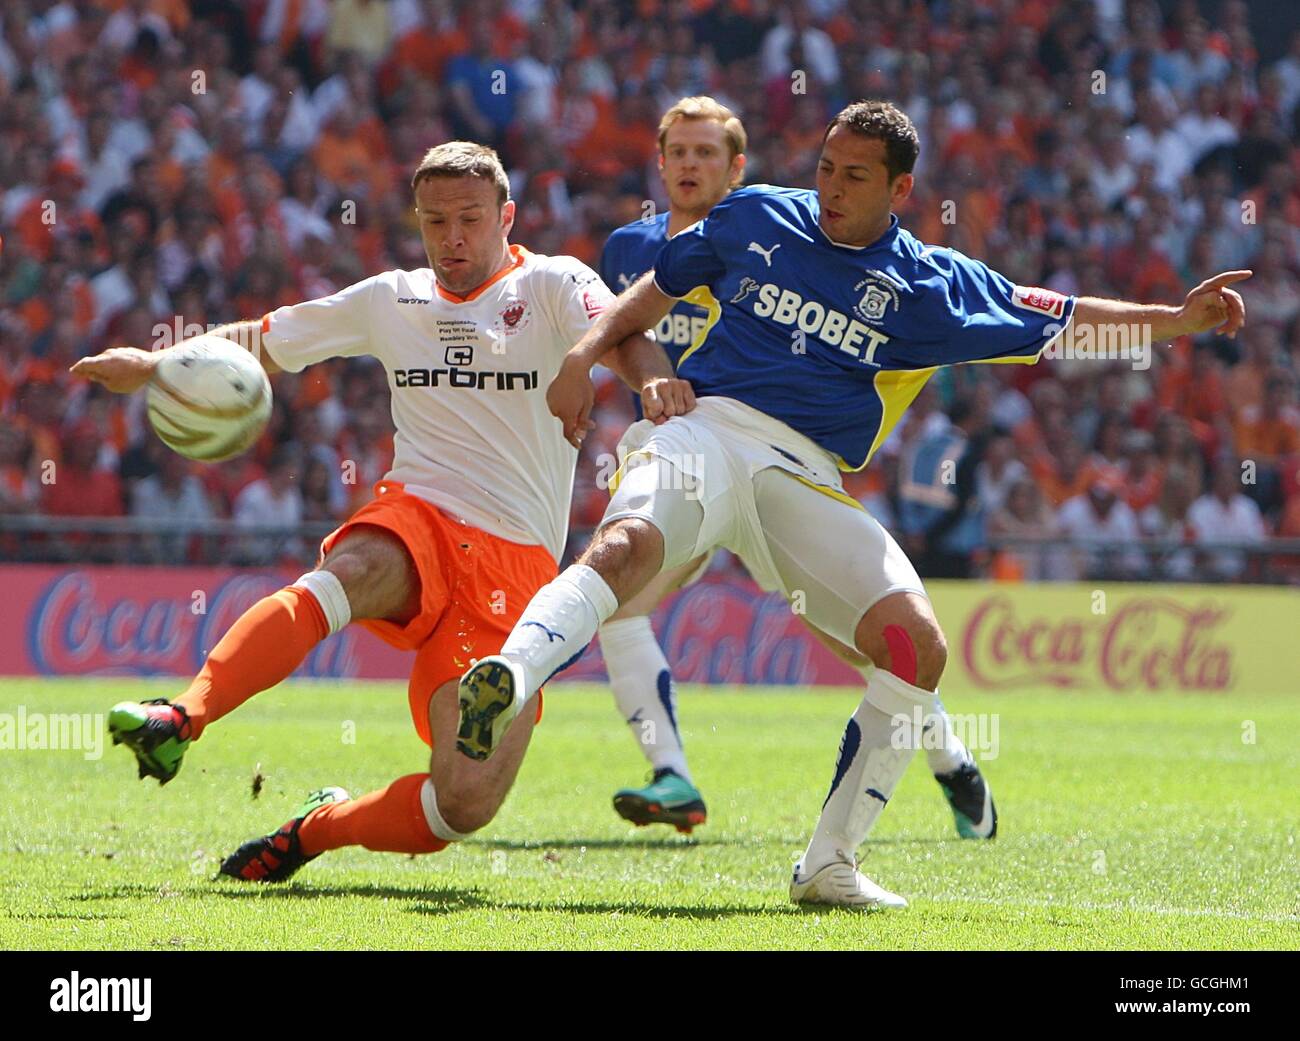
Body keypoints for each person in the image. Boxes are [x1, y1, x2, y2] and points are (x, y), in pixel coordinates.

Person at [453, 100, 1249, 909]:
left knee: (915, 645)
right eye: (826, 167)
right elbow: (657, 288)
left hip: (804, 476)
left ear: (899, 188)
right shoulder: (758, 213)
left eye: (854, 175)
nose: (830, 187)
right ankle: (510, 678)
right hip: (707, 431)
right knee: (626, 546)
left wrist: (1175, 321)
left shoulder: (929, 288)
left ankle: (829, 863)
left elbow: (1063, 321)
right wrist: (586, 354)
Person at [69, 141, 689, 883]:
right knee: (351, 568)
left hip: (516, 569)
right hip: (420, 515)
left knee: (461, 806)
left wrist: (653, 384)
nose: (452, 238)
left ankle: (316, 828)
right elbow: (263, 341)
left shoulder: (554, 285)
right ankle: (182, 714)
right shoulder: (391, 298)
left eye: (469, 219)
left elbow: (625, 336)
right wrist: (153, 365)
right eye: (435, 222)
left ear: (507, 216)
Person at [598, 96, 999, 842]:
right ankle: (671, 772)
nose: (690, 164)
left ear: (737, 167)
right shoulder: (629, 249)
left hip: (772, 463)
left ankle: (952, 760)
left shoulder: (769, 236)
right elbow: (618, 333)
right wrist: (649, 380)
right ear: (659, 163)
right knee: (619, 597)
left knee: (855, 642)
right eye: (677, 152)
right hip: (687, 460)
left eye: (706, 153)